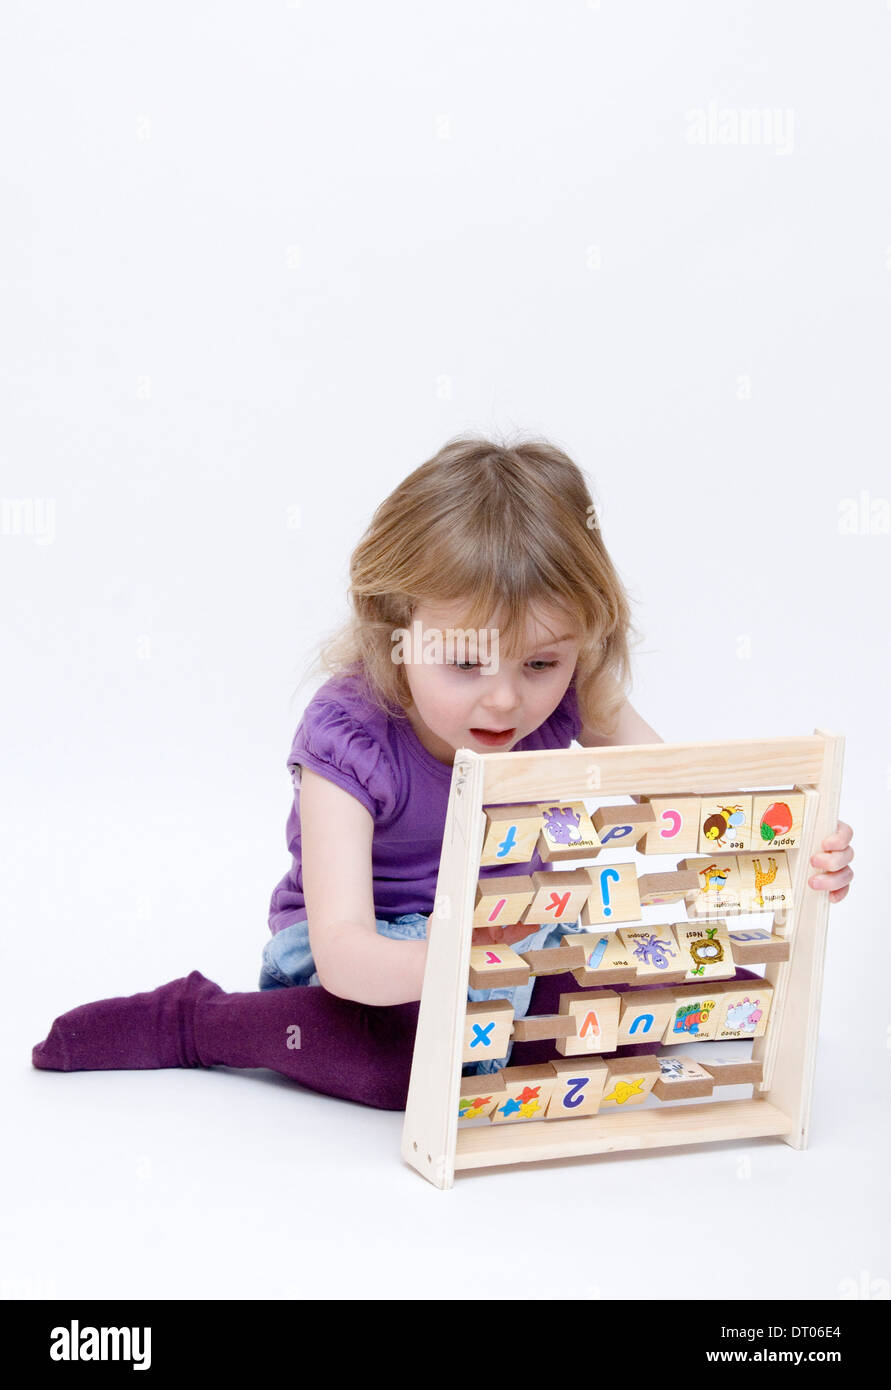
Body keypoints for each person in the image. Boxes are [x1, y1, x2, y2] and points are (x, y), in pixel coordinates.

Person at [30, 435, 855, 1111]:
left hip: (511, 934)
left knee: (645, 999)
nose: (505, 698)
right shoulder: (348, 739)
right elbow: (345, 948)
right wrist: (460, 960)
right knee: (416, 1067)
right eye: (464, 662)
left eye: (541, 661)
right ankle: (203, 1023)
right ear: (396, 630)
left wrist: (791, 855)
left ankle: (547, 1010)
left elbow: (690, 803)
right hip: (363, 964)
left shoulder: (566, 700)